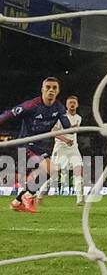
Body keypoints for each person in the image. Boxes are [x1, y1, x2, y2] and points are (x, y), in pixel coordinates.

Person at [1, 77, 68, 214]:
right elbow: (9, 114)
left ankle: (17, 201)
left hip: (41, 145)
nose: (51, 90)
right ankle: (28, 196)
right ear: (42, 89)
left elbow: (66, 124)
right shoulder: (31, 105)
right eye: (48, 87)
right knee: (50, 169)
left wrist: (66, 119)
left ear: (58, 91)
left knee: (49, 171)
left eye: (54, 88)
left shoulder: (59, 107)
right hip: (26, 142)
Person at [50, 94, 86, 203]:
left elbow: (73, 132)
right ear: (66, 105)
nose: (72, 104)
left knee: (79, 170)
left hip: (74, 148)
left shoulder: (79, 118)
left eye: (74, 103)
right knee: (53, 174)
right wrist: (65, 140)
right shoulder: (60, 117)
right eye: (70, 102)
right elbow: (53, 132)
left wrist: (71, 140)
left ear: (77, 105)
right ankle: (40, 193)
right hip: (61, 148)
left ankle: (80, 198)